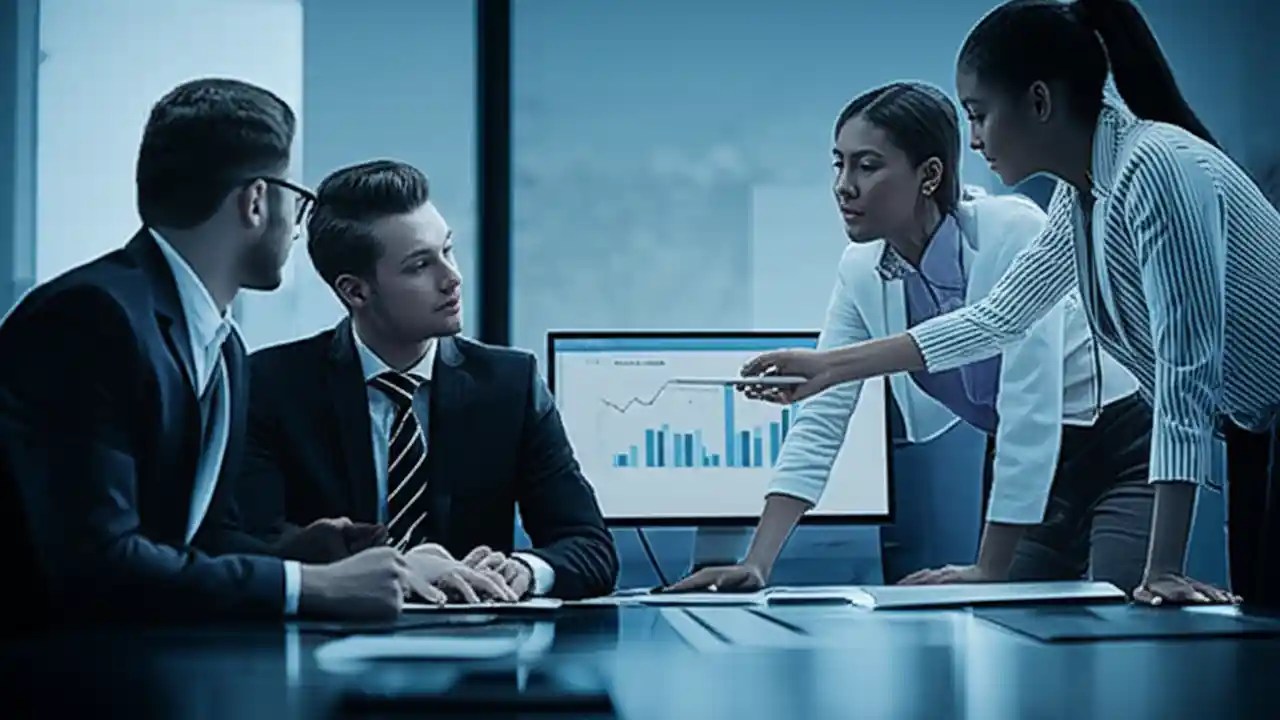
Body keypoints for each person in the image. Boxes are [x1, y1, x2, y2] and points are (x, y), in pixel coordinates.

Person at [736, 0, 1280, 608]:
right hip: (1254, 427)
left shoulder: (1152, 167)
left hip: (1171, 429)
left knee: (1195, 622)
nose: (974, 140)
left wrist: (1164, 567)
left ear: (1039, 102)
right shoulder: (1083, 194)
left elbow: (1186, 369)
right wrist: (830, 367)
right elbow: (998, 318)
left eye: (979, 116)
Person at [666, 80, 1150, 595]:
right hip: (1026, 463)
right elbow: (823, 415)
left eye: (867, 166)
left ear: (929, 175)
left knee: (1119, 611)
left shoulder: (1014, 231)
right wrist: (758, 562)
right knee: (1014, 621)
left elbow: (1029, 409)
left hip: (1117, 447)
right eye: (839, 164)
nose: (844, 186)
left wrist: (988, 569)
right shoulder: (861, 271)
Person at [0, 78, 438, 628]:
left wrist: (297, 553)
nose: (297, 224)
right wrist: (309, 585)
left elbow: (192, 541)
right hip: (58, 665)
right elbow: (96, 561)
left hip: (154, 656)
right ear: (256, 201)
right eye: (297, 200)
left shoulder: (224, 347)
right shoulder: (89, 318)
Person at [237, 159, 619, 601]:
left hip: (477, 633)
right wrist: (393, 568)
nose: (452, 278)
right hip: (331, 629)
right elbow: (251, 547)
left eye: (448, 250)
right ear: (355, 291)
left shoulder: (510, 385)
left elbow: (590, 547)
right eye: (420, 265)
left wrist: (526, 571)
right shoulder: (271, 385)